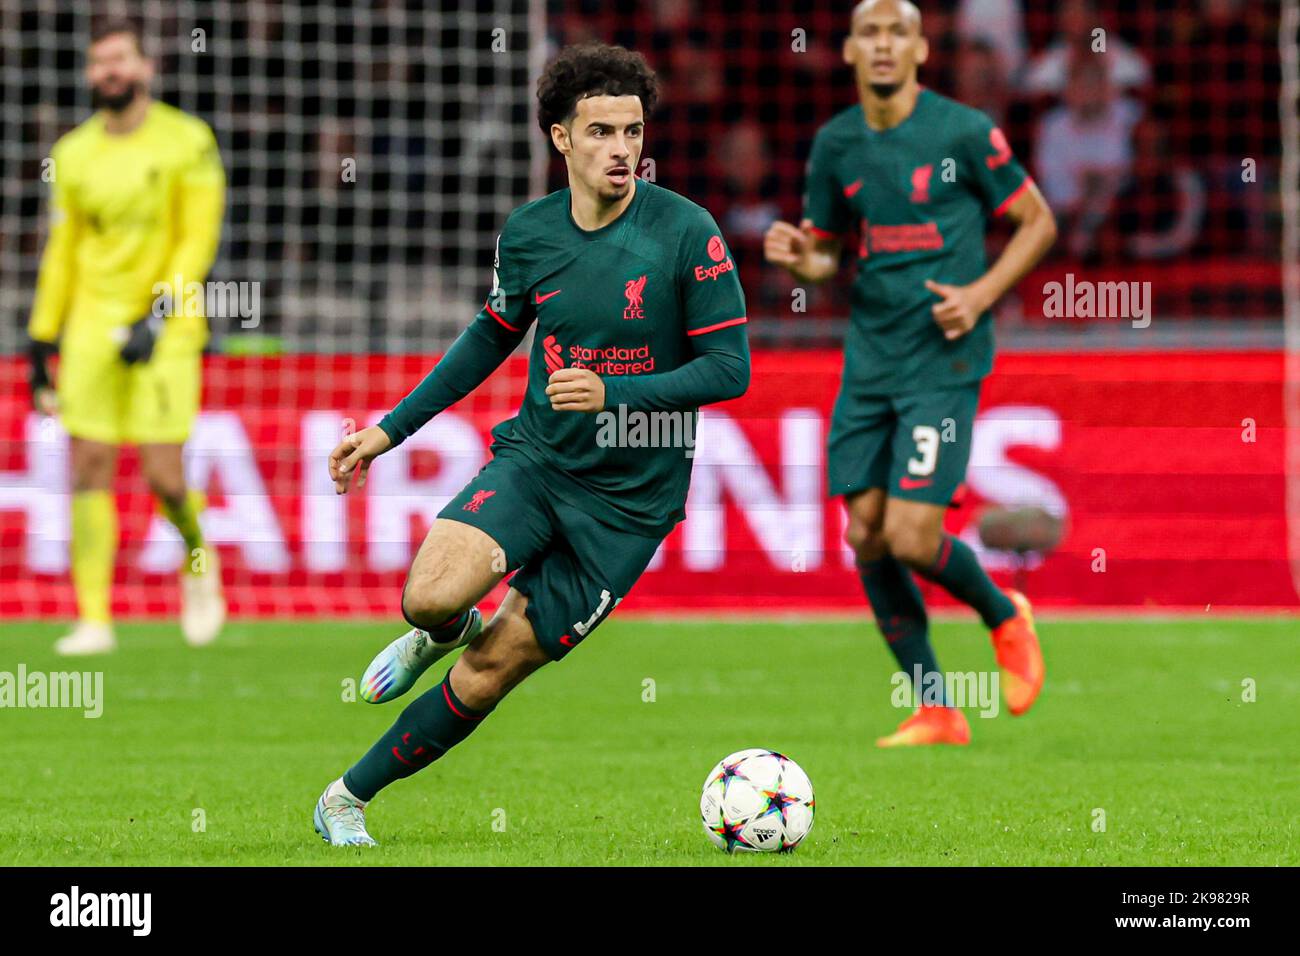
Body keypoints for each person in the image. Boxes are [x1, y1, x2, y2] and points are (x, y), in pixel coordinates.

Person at [312, 43, 750, 845]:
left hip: (628, 508)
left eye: (633, 130)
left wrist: (616, 393)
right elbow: (489, 338)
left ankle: (346, 797)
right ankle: (435, 634)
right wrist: (387, 431)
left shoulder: (689, 233)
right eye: (601, 132)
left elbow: (731, 368)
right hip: (539, 463)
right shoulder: (532, 234)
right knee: (431, 596)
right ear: (561, 139)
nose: (622, 149)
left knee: (489, 673)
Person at [764, 0, 1056, 746]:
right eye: (870, 33)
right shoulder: (836, 144)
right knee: (864, 534)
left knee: (911, 535)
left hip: (942, 363)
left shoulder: (962, 132)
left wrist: (983, 294)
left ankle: (1004, 615)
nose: (885, 45)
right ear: (852, 52)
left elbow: (1037, 222)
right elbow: (830, 252)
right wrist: (807, 260)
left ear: (922, 50)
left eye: (900, 32)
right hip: (869, 361)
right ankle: (935, 705)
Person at [27, 17, 227, 655]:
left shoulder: (188, 141)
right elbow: (64, 249)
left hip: (165, 327)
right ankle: (93, 619)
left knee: (165, 478)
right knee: (87, 465)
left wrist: (159, 312)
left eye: (119, 59)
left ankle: (198, 558)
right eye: (98, 62)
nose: (108, 71)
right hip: (90, 323)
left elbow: (197, 239)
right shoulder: (73, 153)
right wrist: (42, 336)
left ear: (144, 67)